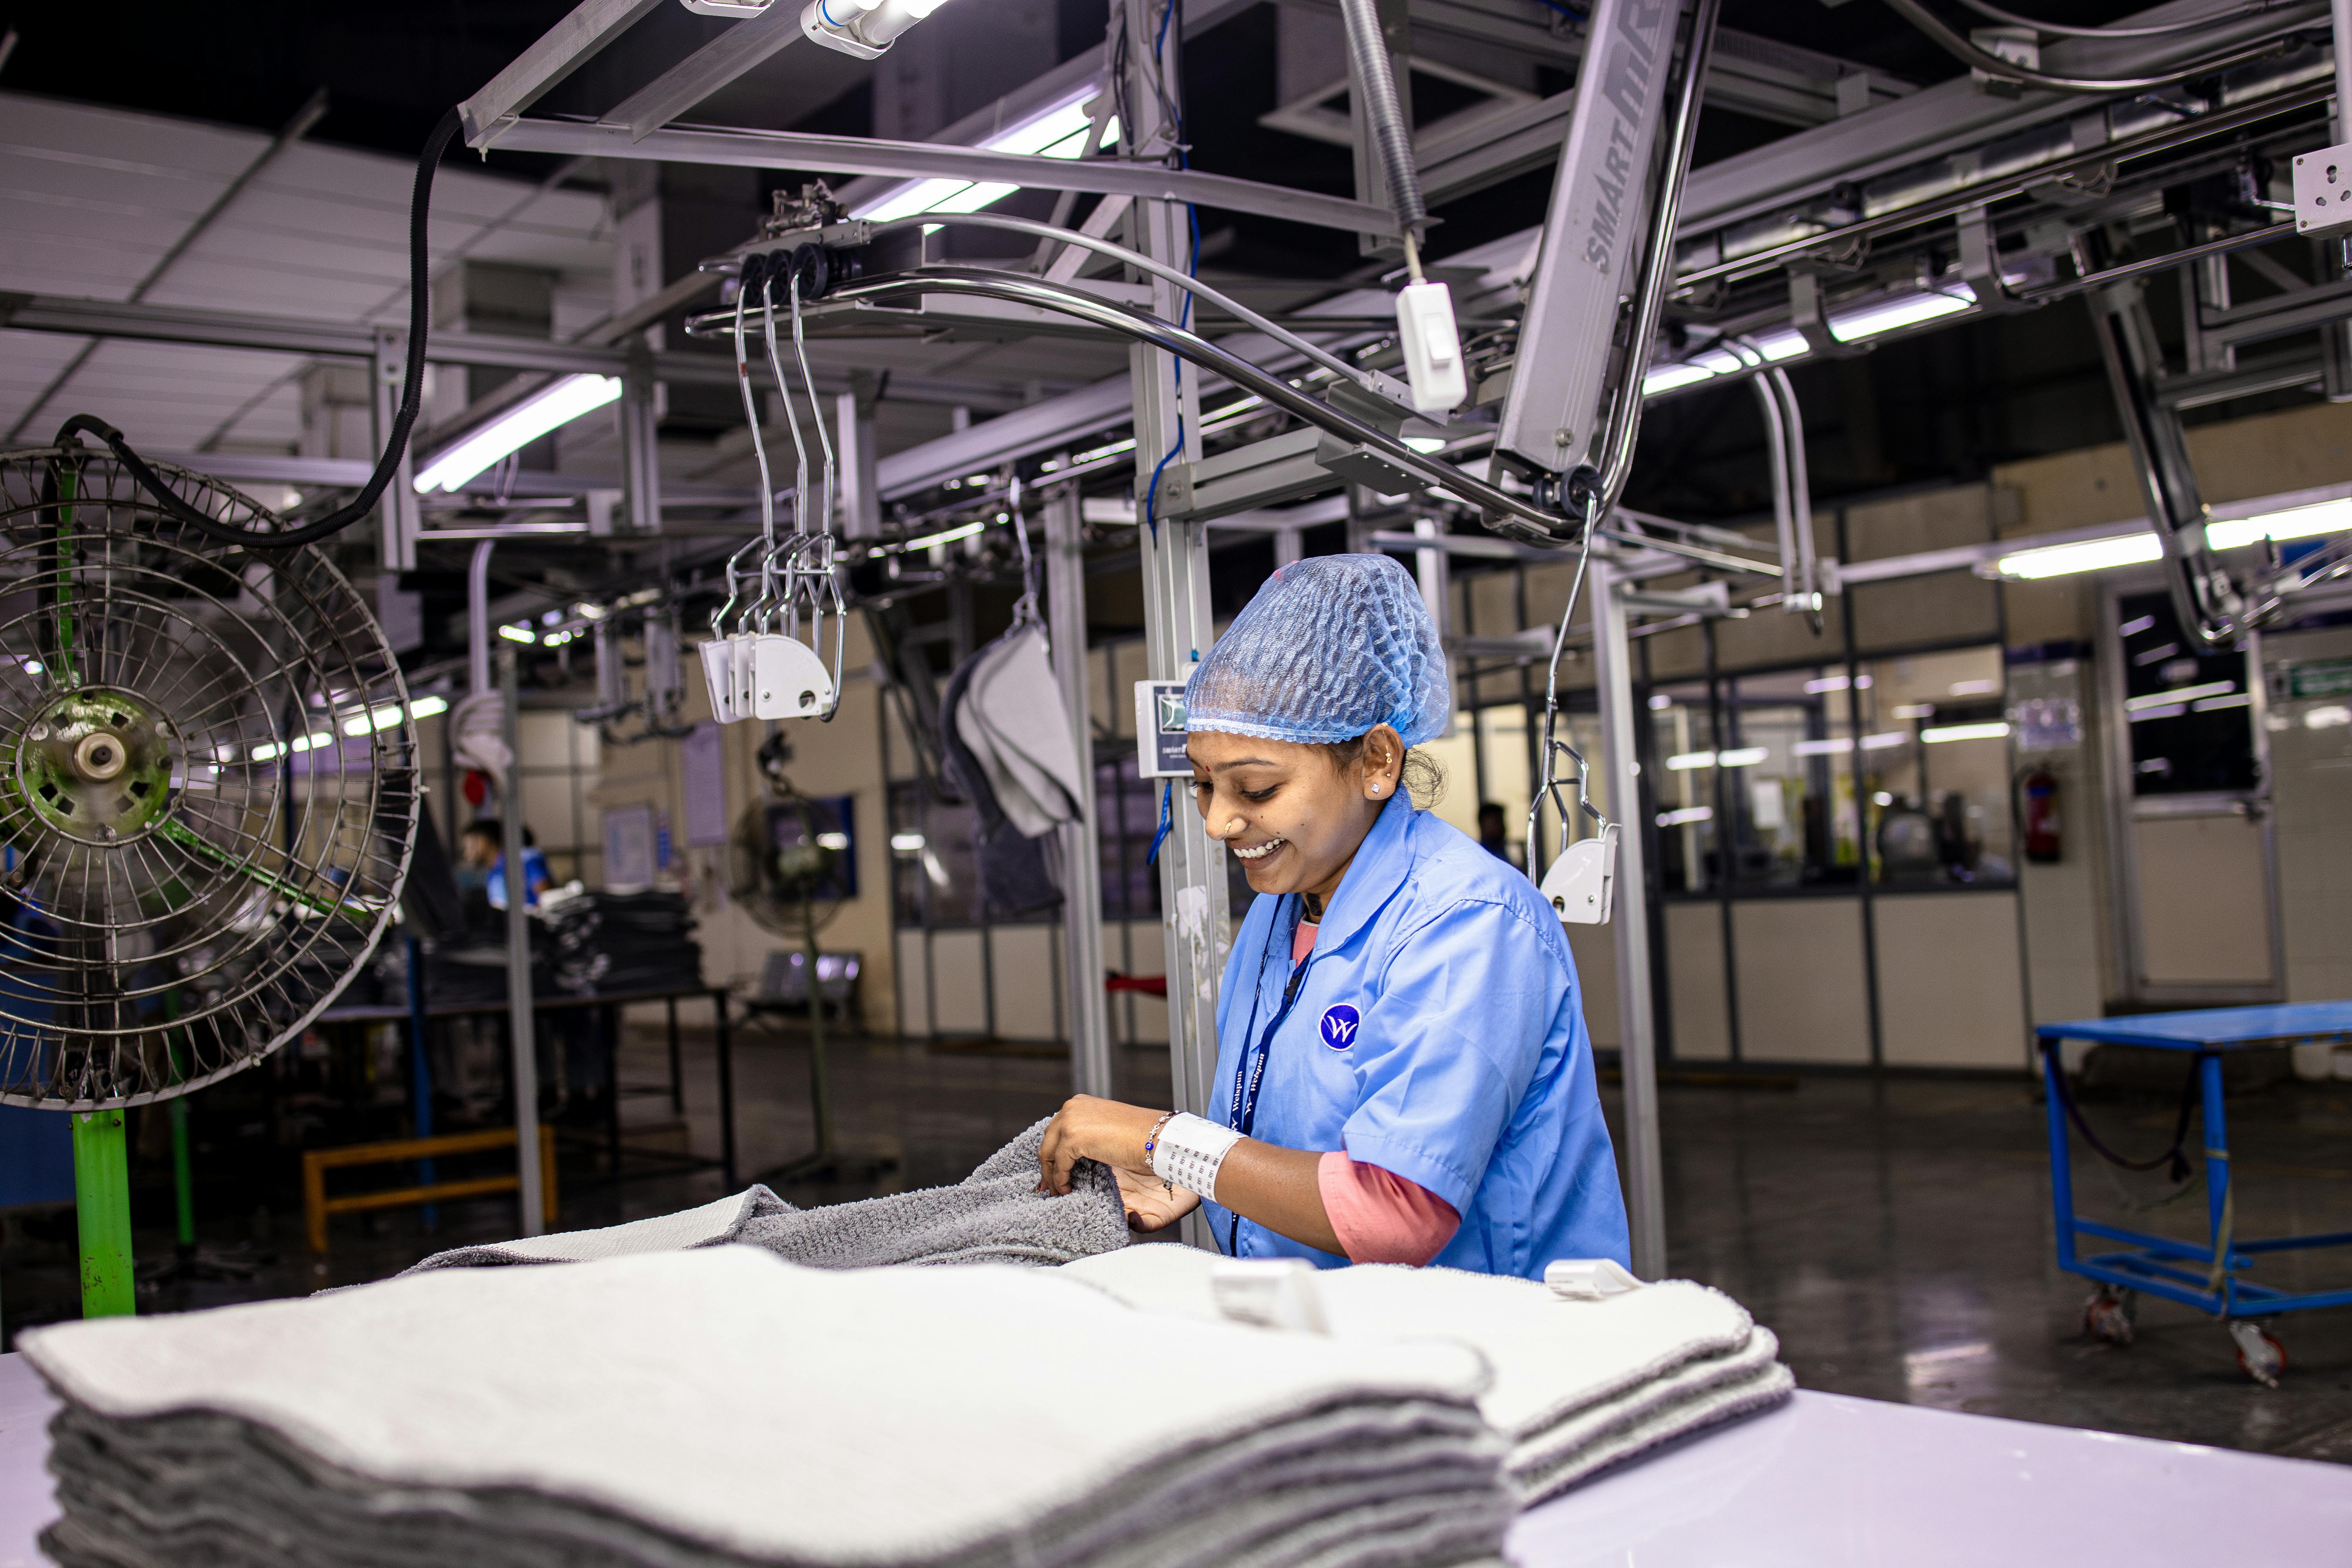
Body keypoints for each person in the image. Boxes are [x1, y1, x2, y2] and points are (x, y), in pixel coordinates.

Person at [1037, 554, 1628, 1279]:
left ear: (1377, 760)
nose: (1221, 822)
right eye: (1201, 786)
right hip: (1329, 1332)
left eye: (1256, 788)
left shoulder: (1469, 924)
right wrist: (1183, 1174)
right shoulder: (1280, 913)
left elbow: (1394, 1211)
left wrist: (1166, 1141)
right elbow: (1283, 1129)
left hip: (1486, 1346)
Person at [459, 818, 552, 911]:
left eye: (468, 847)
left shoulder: (525, 858)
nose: (466, 853)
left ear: (483, 842)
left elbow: (546, 899)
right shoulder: (492, 875)